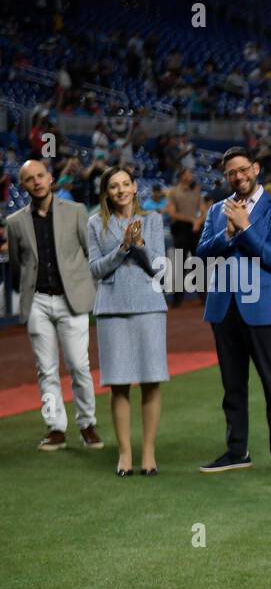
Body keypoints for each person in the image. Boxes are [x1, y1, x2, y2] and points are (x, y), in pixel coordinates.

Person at [195, 147, 271, 475]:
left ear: (255, 168)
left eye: (242, 170)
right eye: (231, 174)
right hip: (224, 307)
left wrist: (245, 227)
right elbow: (203, 252)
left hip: (264, 309)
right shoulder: (216, 211)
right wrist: (227, 233)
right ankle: (237, 451)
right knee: (232, 385)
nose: (238, 177)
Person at [6, 160, 102, 453]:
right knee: (45, 369)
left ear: (50, 178)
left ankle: (87, 424)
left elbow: (91, 253)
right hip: (37, 301)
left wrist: (90, 291)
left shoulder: (75, 211)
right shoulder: (14, 222)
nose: (36, 182)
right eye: (29, 179)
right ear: (22, 185)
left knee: (79, 366)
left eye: (40, 176)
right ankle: (56, 428)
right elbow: (15, 264)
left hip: (71, 300)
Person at [86, 166, 168, 477]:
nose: (120, 190)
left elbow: (159, 268)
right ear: (106, 192)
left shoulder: (153, 220)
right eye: (113, 186)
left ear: (135, 188)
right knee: (119, 384)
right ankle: (125, 453)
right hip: (112, 308)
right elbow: (95, 269)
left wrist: (140, 245)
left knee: (151, 381)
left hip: (149, 307)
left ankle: (148, 452)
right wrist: (122, 249)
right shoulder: (94, 223)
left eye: (125, 184)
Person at [164, 168, 204, 307]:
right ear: (181, 176)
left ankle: (204, 297)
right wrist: (192, 220)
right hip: (180, 229)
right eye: (187, 174)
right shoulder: (173, 192)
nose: (190, 176)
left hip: (195, 229)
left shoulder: (196, 191)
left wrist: (198, 221)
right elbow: (172, 214)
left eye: (191, 174)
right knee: (180, 262)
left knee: (198, 262)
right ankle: (177, 300)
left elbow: (203, 210)